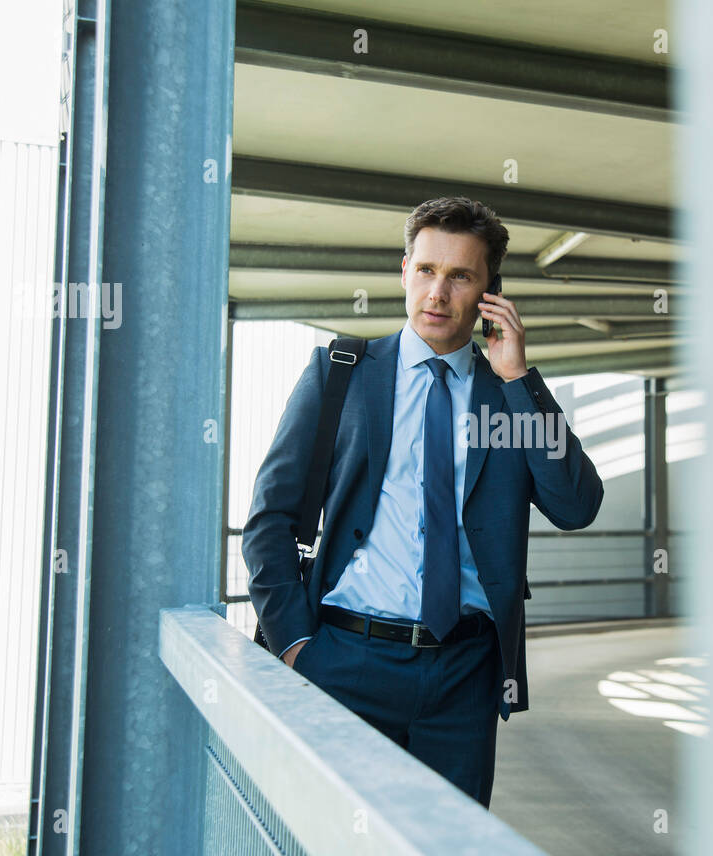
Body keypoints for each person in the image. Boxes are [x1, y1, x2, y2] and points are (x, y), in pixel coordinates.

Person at [242, 196, 604, 808]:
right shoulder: (343, 374)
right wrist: (296, 646)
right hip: (345, 661)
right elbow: (269, 520)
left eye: (461, 275)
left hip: (463, 677)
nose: (439, 292)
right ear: (404, 270)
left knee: (446, 851)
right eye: (428, 270)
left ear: (490, 290)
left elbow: (575, 505)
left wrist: (520, 379)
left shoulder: (505, 398)